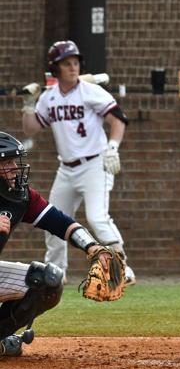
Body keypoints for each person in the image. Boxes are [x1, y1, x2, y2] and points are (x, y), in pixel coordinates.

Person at [21, 40, 135, 285]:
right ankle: (55, 276)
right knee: (51, 222)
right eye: (66, 64)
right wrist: (29, 104)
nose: (73, 67)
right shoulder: (49, 98)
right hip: (66, 168)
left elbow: (118, 119)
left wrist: (113, 147)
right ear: (55, 68)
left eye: (75, 63)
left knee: (97, 218)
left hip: (95, 163)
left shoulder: (91, 91)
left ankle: (122, 267)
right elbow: (30, 129)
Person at [0, 132, 115, 356]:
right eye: (6, 162)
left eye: (15, 161)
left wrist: (93, 247)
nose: (15, 168)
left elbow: (61, 223)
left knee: (47, 281)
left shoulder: (20, 197)